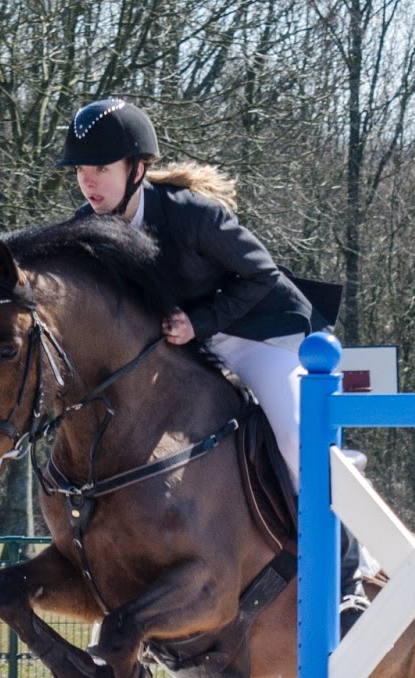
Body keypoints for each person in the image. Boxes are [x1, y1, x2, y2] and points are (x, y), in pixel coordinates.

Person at [56, 98, 318, 489]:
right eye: (80, 170)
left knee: (298, 437)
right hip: (179, 347)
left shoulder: (194, 214)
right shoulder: (86, 228)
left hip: (255, 331)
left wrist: (200, 322)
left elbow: (262, 274)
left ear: (137, 169)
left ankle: (344, 543)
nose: (87, 182)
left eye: (101, 168)